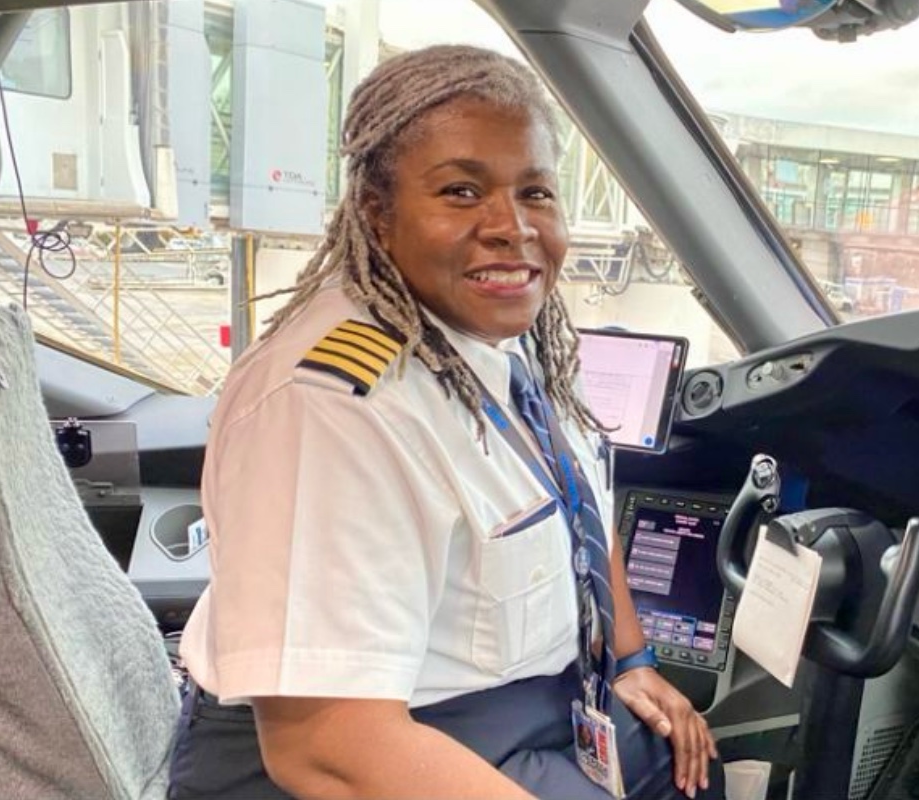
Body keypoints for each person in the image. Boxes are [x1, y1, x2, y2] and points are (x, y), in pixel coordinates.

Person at [169, 45, 722, 800]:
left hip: (525, 704)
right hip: (369, 748)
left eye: (535, 192)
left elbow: (577, 512)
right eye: (461, 192)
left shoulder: (497, 334)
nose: (512, 227)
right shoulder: (333, 409)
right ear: (377, 209)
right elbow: (326, 747)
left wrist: (632, 662)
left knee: (690, 771)